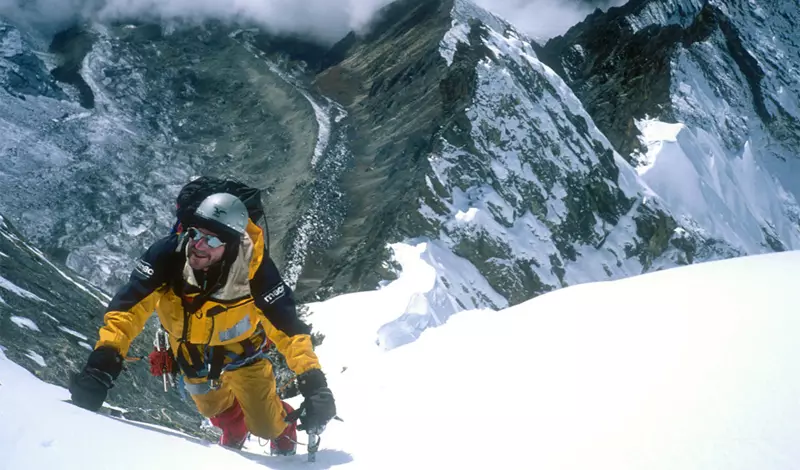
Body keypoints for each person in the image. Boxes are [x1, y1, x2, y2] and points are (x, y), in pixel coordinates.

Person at [69, 192, 336, 455]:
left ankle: (282, 429)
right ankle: (235, 428)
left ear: (231, 245)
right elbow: (129, 310)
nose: (198, 244)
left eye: (211, 239)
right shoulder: (168, 257)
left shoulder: (255, 271)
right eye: (196, 233)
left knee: (266, 425)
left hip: (243, 351)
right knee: (211, 408)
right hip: (190, 351)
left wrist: (314, 382)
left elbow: (287, 328)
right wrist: (103, 361)